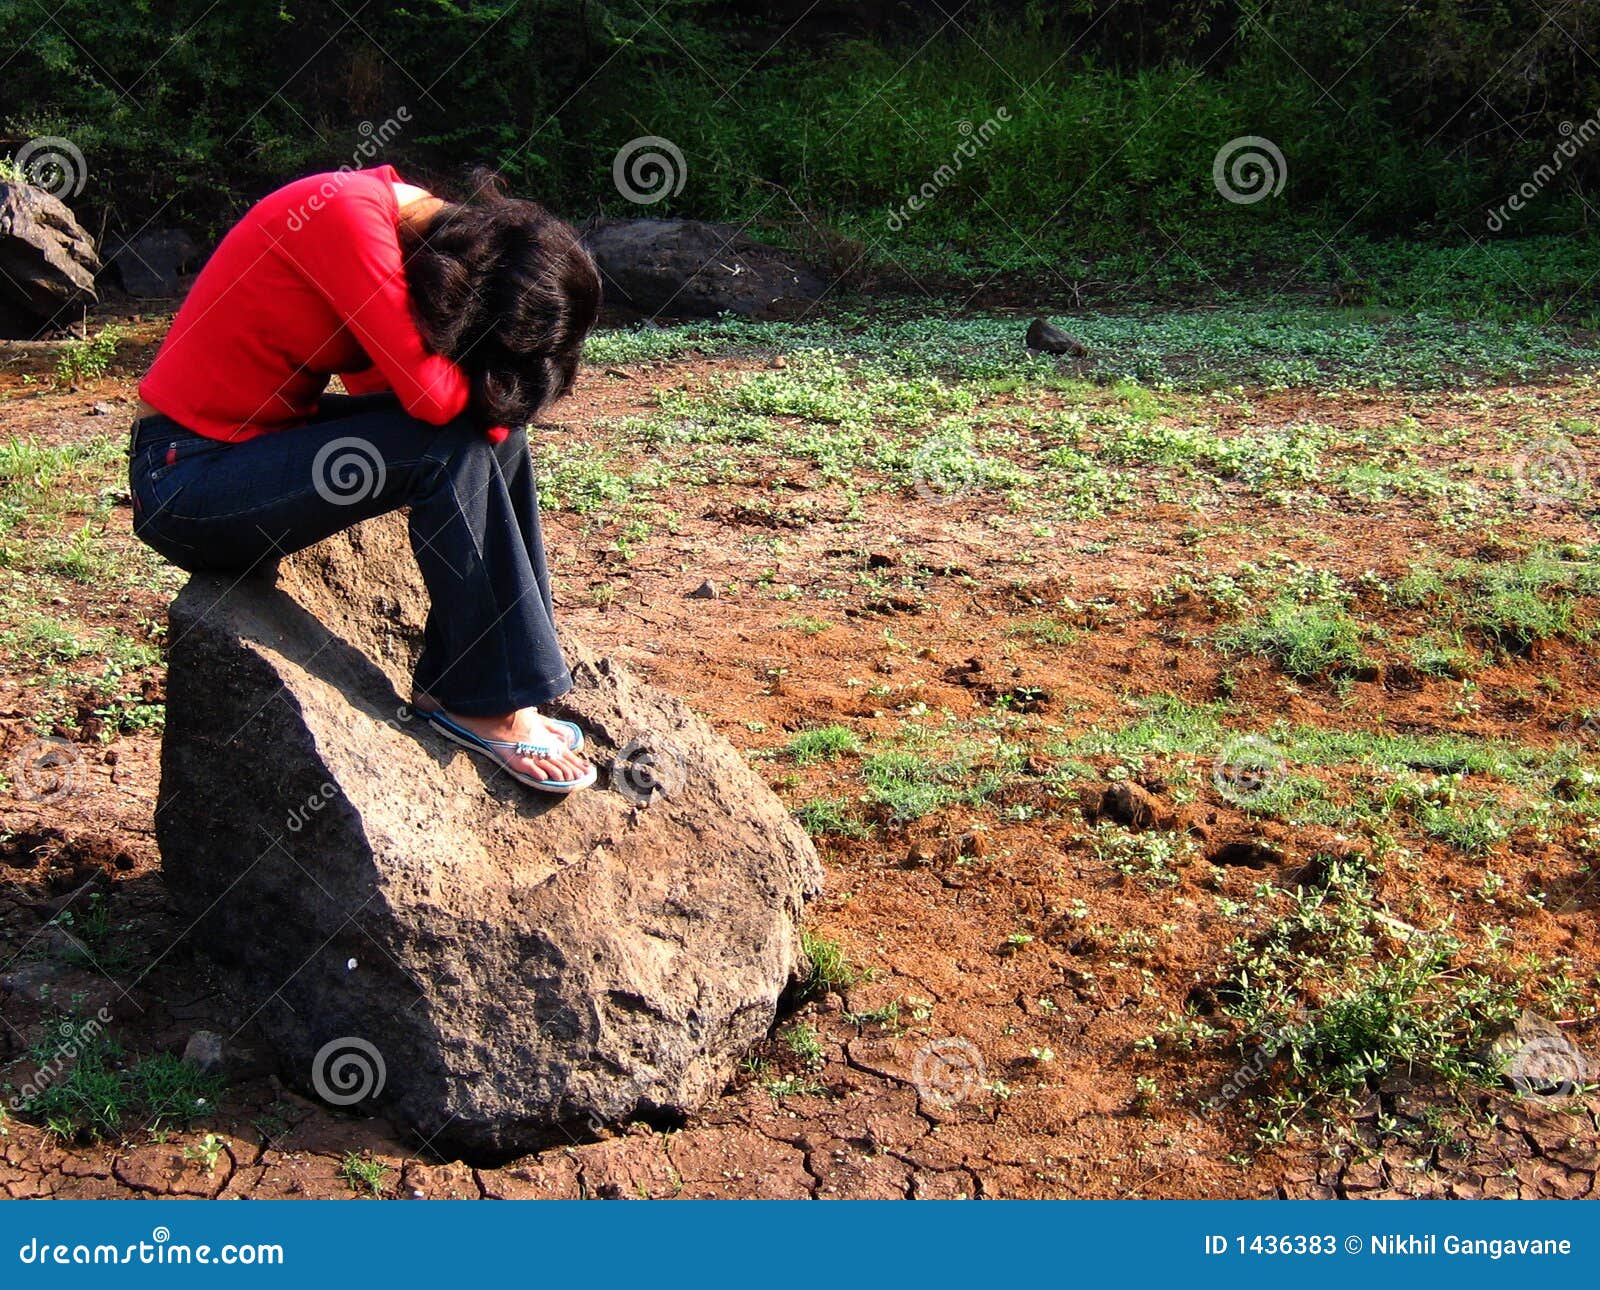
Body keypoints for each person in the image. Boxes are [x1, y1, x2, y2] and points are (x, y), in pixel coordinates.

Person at [128, 164, 602, 794]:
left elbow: (402, 398)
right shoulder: (346, 216)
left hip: (250, 449)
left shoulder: (402, 235)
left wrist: (498, 408)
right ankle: (481, 699)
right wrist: (492, 397)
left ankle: (493, 683)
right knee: (453, 438)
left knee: (491, 434)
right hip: (186, 479)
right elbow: (432, 405)